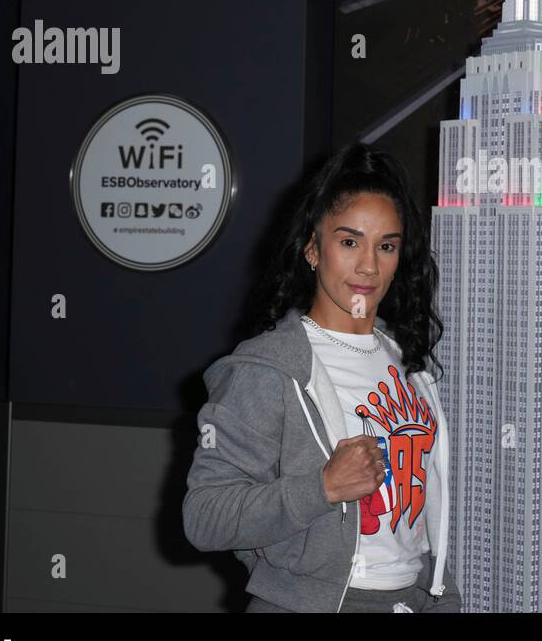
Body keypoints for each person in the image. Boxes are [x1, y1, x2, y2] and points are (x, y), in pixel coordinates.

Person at [183, 142, 461, 613]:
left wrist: (442, 597)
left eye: (386, 246)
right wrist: (324, 487)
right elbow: (204, 518)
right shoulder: (266, 368)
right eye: (349, 242)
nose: (369, 266)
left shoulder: (407, 364)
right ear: (313, 248)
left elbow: (415, 514)